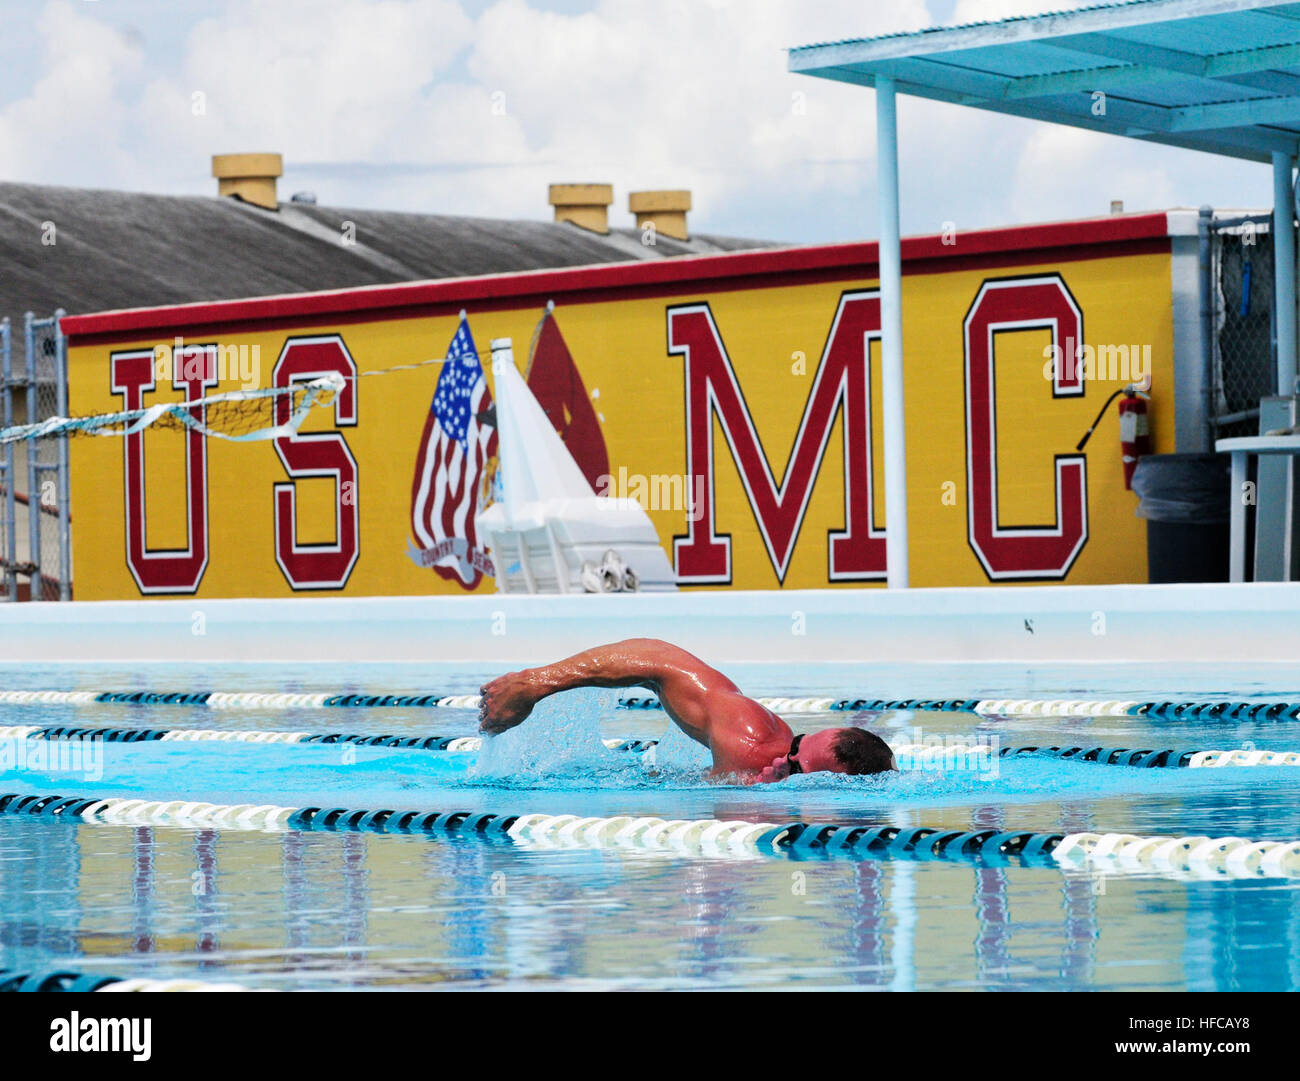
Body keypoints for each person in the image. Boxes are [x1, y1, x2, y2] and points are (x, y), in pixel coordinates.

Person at [478, 638, 896, 784]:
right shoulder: (751, 736)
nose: (778, 761)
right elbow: (662, 663)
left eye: (798, 772)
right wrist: (537, 683)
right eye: (796, 747)